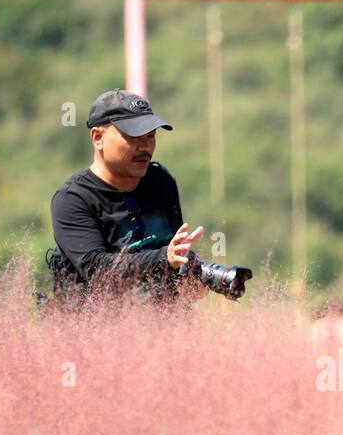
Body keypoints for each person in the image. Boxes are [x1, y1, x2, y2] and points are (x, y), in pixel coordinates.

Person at [48, 88, 249, 306]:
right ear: (98, 137)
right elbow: (96, 270)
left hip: (160, 328)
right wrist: (165, 258)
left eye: (151, 136)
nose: (145, 147)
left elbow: (173, 254)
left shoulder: (160, 181)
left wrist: (190, 281)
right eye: (134, 137)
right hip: (96, 331)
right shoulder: (73, 199)